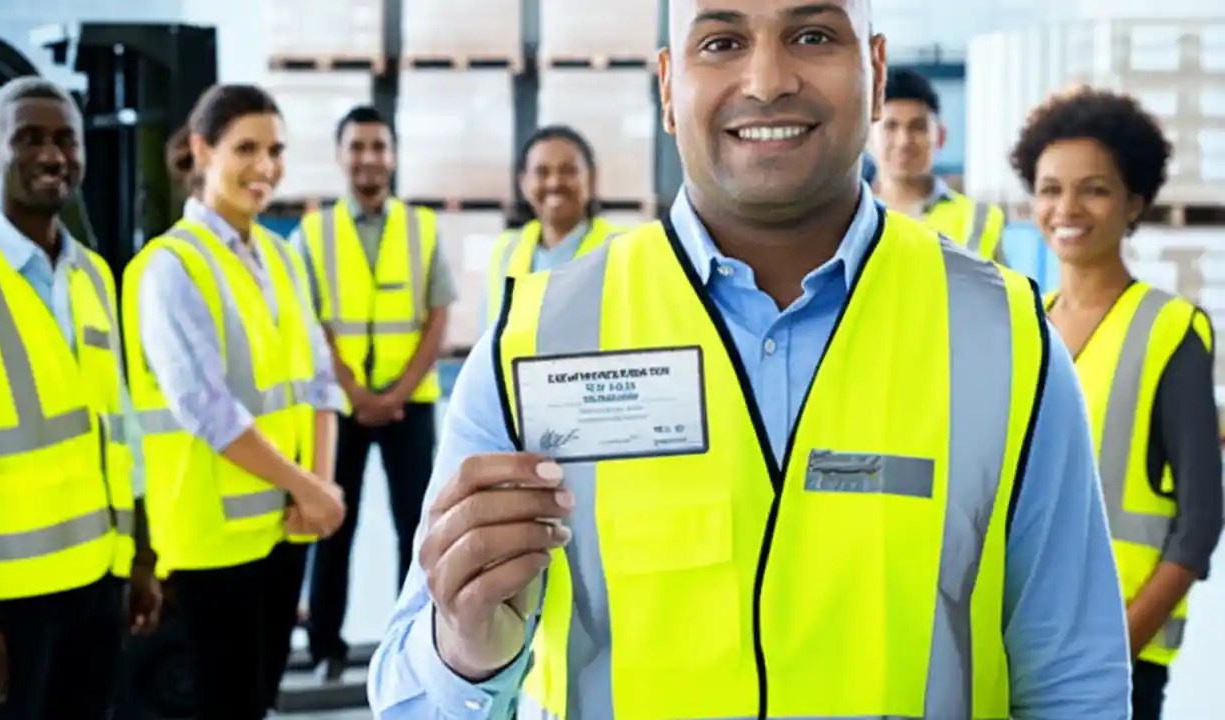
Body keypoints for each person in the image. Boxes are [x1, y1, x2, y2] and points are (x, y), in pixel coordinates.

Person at [367, 0, 1133, 717]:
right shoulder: (534, 342)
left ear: (873, 71)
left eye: (812, 36)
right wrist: (467, 652)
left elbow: (1075, 680)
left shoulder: (1003, 337)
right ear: (669, 87)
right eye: (722, 42)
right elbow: (408, 694)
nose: (767, 82)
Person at [121, 83, 347, 720]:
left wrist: (319, 493)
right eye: (246, 148)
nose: (266, 166)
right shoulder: (170, 267)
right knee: (222, 704)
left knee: (257, 699)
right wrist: (309, 487)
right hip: (209, 540)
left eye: (275, 150)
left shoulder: (280, 255)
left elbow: (319, 381)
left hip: (283, 528)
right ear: (201, 150)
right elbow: (205, 407)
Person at [0, 76, 161, 720]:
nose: (52, 155)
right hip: (9, 601)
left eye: (65, 139)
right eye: (29, 139)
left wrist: (141, 559)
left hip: (98, 583)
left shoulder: (93, 273)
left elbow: (122, 431)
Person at [1011, 86, 1224, 719]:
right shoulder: (1026, 326)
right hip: (1024, 645)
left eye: (1094, 189)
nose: (1067, 208)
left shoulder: (1170, 329)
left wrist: (1117, 645)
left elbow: (1199, 525)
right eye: (1050, 189)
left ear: (1133, 202)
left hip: (1123, 650)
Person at [290, 105, 455, 682]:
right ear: (340, 157)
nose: (369, 158)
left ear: (393, 155)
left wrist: (395, 394)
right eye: (357, 147)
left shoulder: (422, 226)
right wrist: (357, 393)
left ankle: (411, 643)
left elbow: (439, 317)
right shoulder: (313, 233)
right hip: (341, 404)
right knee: (335, 523)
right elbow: (309, 325)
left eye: (378, 146)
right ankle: (326, 648)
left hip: (410, 402)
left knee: (418, 525)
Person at [480, 125, 626, 324]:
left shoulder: (624, 248)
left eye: (569, 171)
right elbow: (489, 334)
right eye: (542, 172)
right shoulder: (505, 251)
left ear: (591, 179)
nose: (554, 183)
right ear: (523, 182)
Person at [869, 67, 1007, 262]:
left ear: (940, 136)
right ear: (868, 138)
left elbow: (1002, 291)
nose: (903, 141)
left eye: (917, 127)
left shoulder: (979, 219)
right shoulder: (846, 220)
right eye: (890, 127)